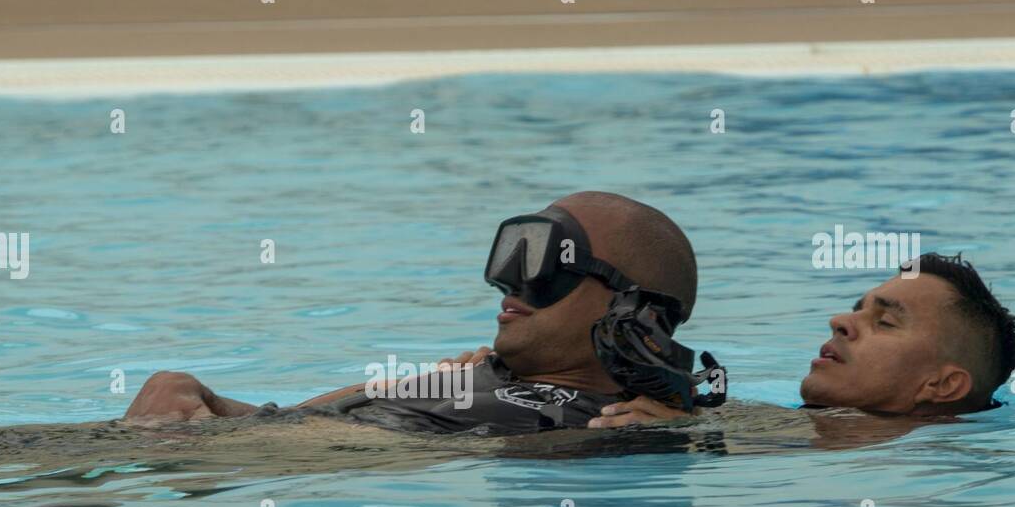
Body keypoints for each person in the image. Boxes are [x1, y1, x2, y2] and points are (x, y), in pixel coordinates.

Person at [124, 191, 704, 433]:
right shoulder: (475, 375)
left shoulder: (614, 423)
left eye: (549, 264)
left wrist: (685, 434)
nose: (512, 287)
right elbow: (288, 424)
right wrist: (213, 406)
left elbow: (339, 450)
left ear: (629, 310)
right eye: (511, 258)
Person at [589, 253, 1015, 428]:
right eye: (857, 308)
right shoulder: (799, 431)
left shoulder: (893, 461)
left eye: (886, 322)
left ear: (942, 386)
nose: (840, 321)